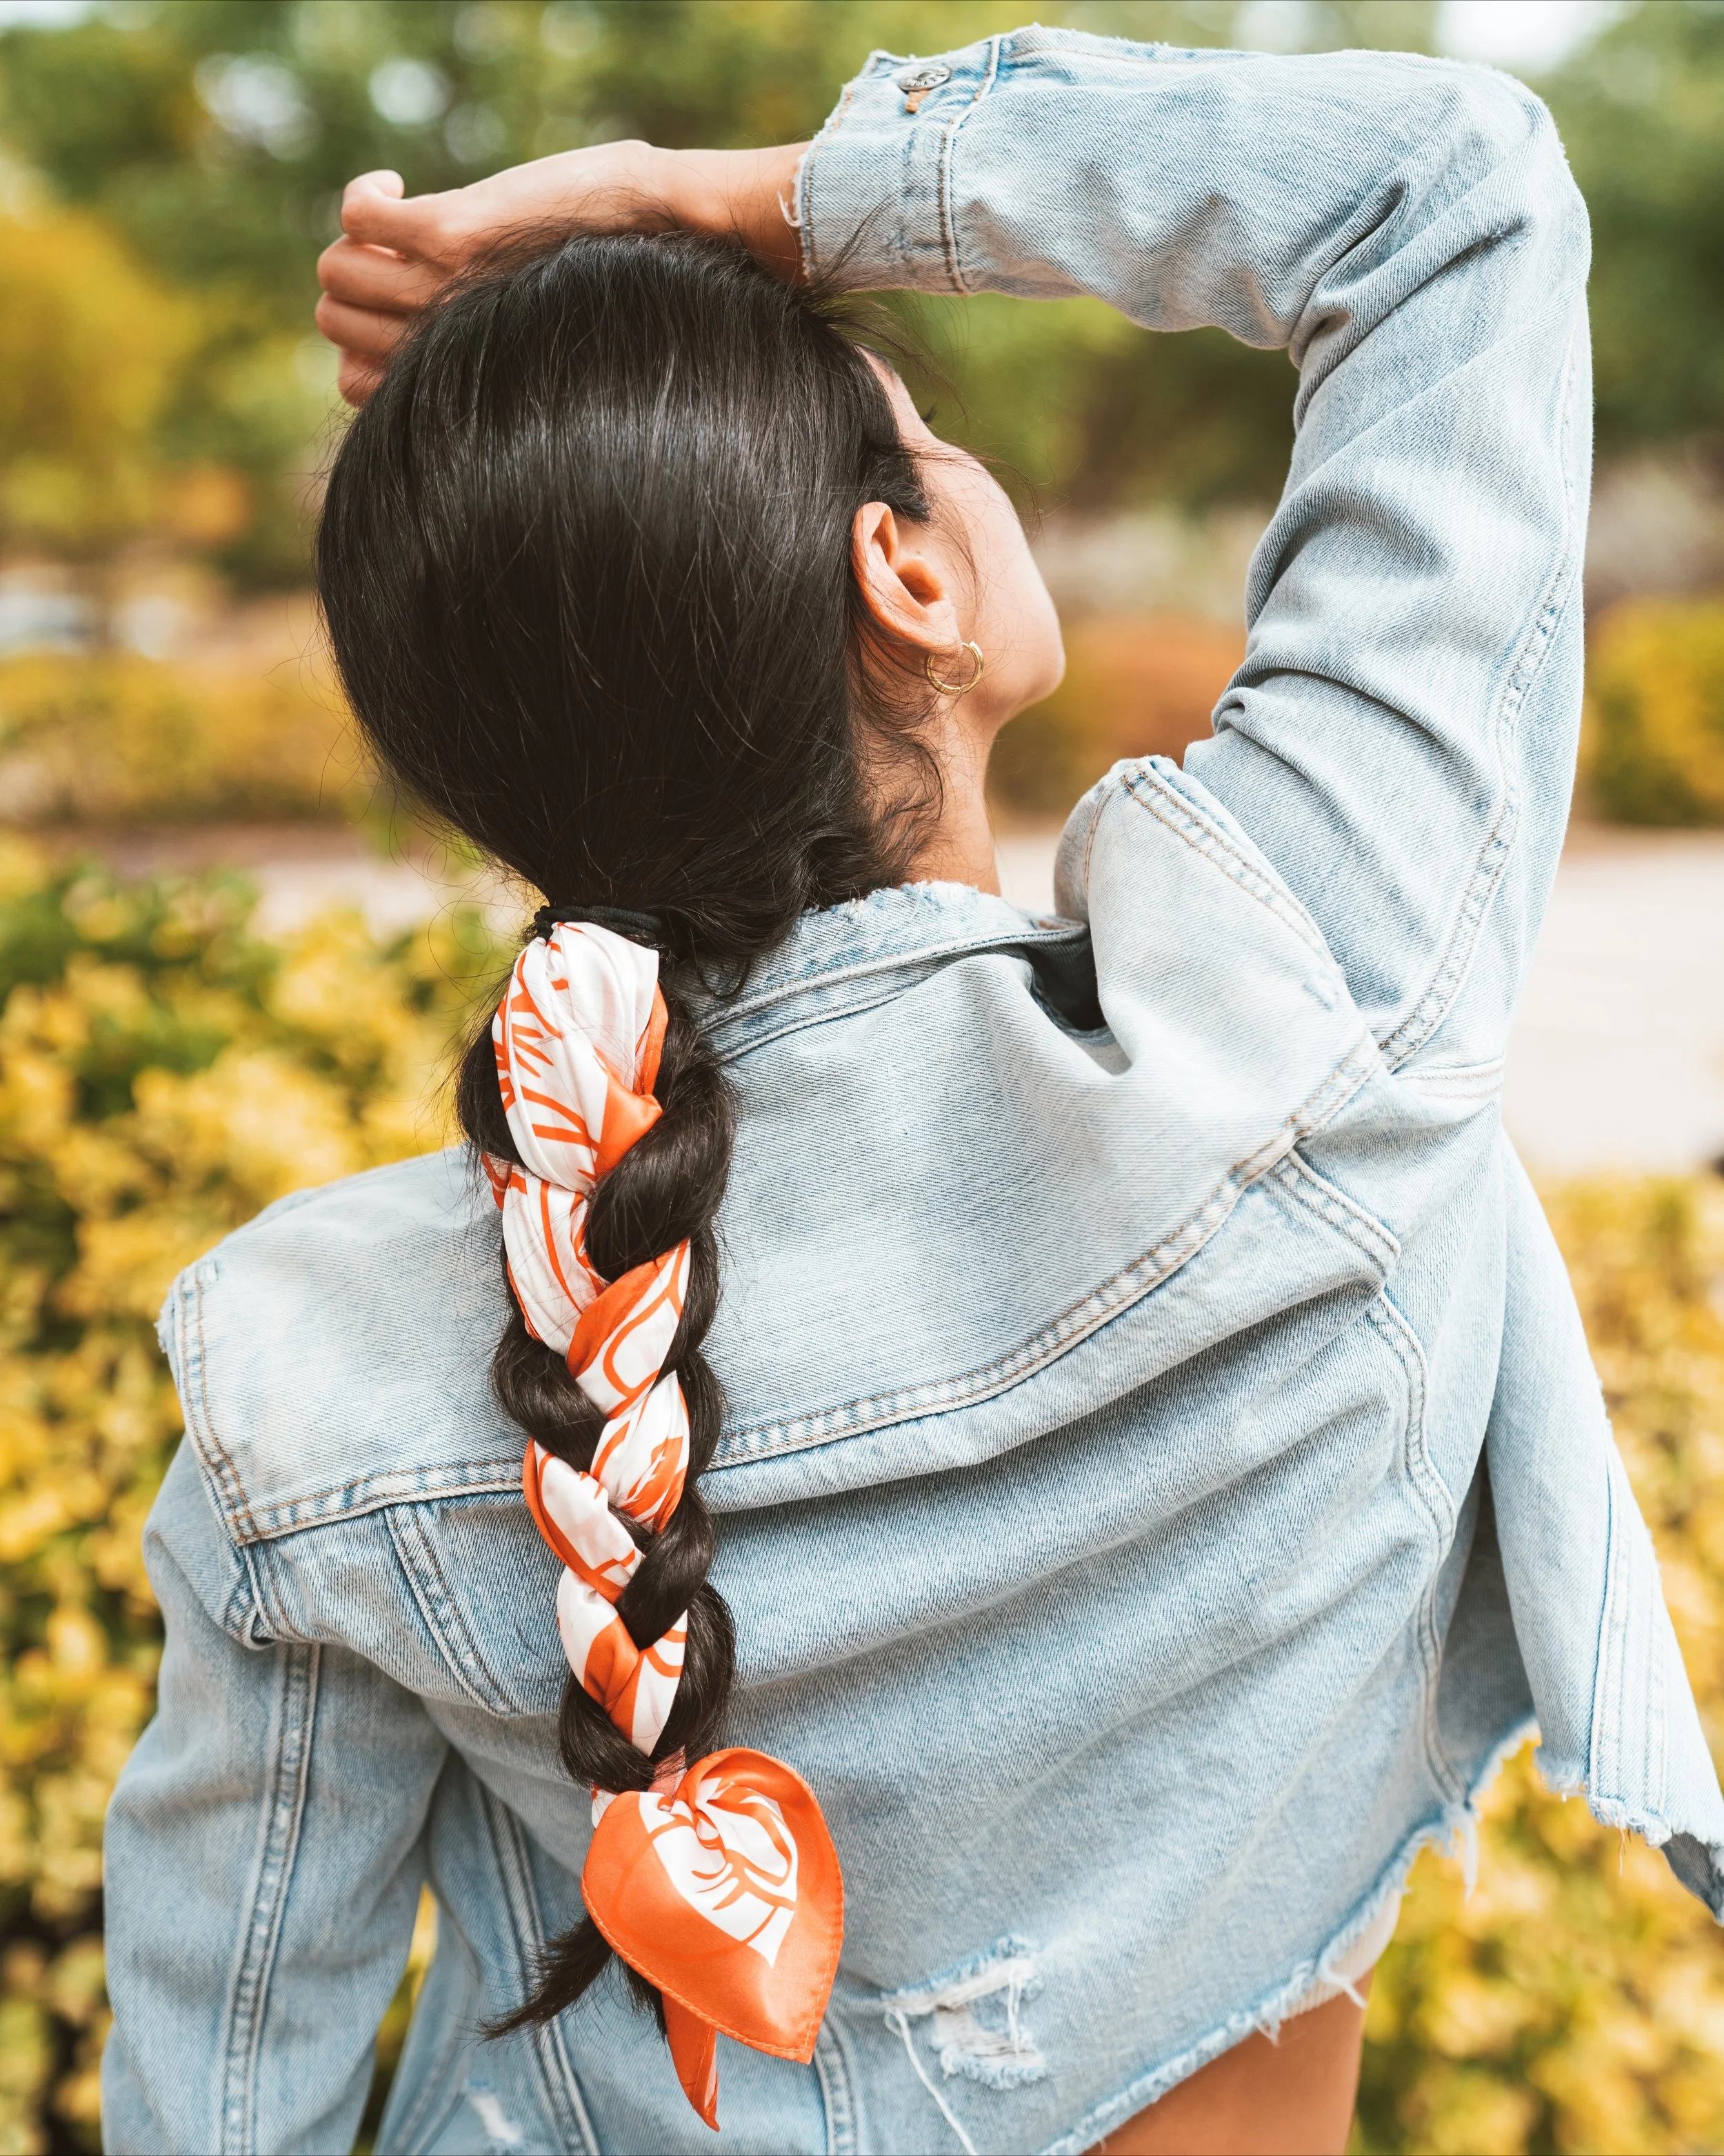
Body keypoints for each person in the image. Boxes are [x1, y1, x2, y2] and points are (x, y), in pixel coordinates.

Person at [102, 26, 1724, 2156]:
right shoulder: (1312, 1001)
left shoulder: (325, 1382)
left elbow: (229, 2104)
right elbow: (1445, 187)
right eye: (928, 438)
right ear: (908, 574)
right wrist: (737, 195)